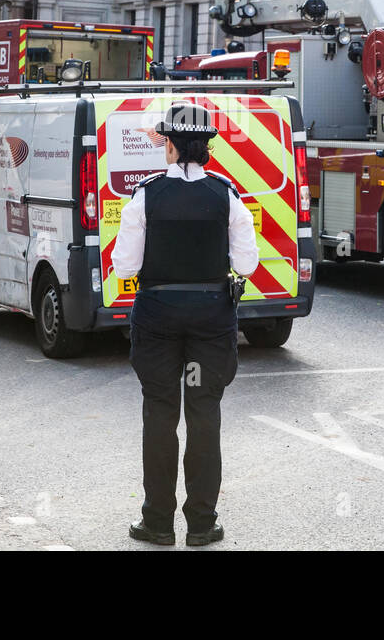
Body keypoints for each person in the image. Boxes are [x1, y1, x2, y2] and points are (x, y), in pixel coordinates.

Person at [113, 102, 259, 547]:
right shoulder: (226, 194)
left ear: (173, 146)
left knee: (160, 412)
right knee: (203, 414)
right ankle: (201, 522)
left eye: (166, 143)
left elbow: (124, 266)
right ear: (206, 147)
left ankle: (157, 522)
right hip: (210, 322)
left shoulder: (146, 194)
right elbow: (247, 263)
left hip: (158, 320)